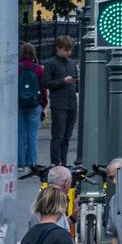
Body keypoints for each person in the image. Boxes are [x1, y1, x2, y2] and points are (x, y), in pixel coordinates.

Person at [42, 35, 77, 166]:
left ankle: (64, 161)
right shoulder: (51, 64)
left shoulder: (72, 63)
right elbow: (46, 83)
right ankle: (55, 163)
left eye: (70, 50)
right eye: (66, 50)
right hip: (59, 105)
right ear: (59, 49)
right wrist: (62, 81)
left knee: (67, 136)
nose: (69, 52)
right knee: (58, 136)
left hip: (71, 103)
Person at [17, 42, 46, 170]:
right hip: (34, 105)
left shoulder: (16, 67)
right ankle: (32, 163)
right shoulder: (38, 68)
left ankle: (21, 163)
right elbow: (43, 88)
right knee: (32, 136)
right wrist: (43, 104)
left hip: (19, 104)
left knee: (20, 135)